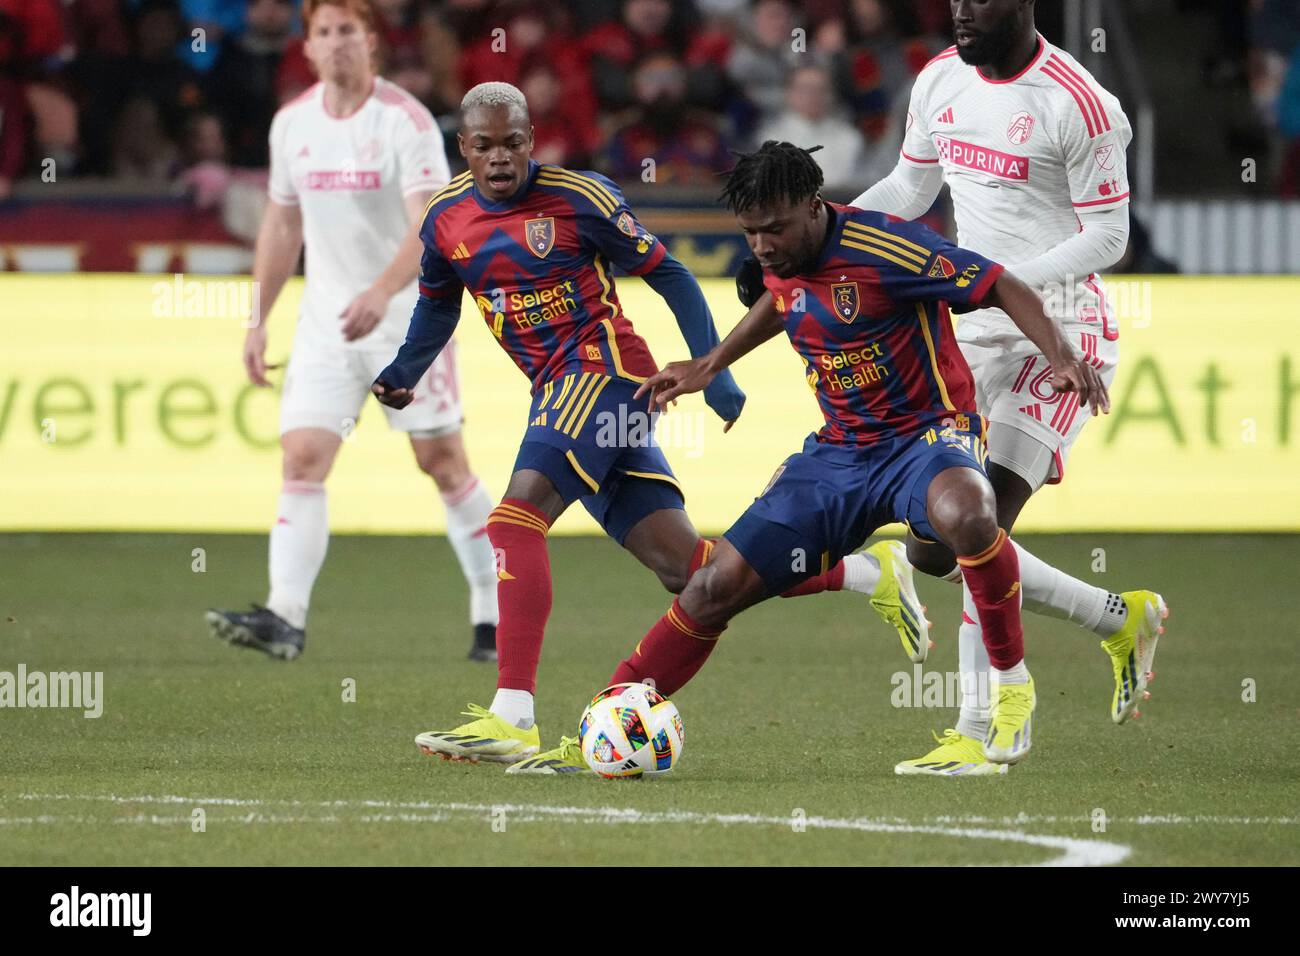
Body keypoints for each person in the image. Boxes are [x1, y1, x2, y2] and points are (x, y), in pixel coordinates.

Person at [372, 84, 925, 773]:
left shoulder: (582, 199)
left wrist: (715, 374)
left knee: (514, 522)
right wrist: (404, 369)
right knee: (686, 570)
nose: (499, 158)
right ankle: (867, 573)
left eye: (512, 142)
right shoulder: (446, 218)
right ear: (465, 148)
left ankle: (513, 714)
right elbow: (434, 304)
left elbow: (673, 277)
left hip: (604, 377)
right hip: (560, 392)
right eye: (483, 145)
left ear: (531, 138)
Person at [739, 0, 1167, 775]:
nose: (962, 10)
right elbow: (907, 187)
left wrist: (991, 281)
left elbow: (1109, 235)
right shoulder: (939, 80)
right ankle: (1117, 616)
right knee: (938, 550)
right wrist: (802, 249)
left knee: (982, 522)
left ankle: (983, 727)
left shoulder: (1082, 104)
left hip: (1057, 329)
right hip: (969, 319)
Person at [609, 140, 1110, 771]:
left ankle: (1012, 688)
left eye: (775, 230)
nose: (762, 246)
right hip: (841, 451)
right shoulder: (780, 254)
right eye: (751, 232)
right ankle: (609, 715)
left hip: (926, 435)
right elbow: (781, 296)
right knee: (711, 585)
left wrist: (1063, 355)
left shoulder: (889, 248)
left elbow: (1000, 283)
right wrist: (712, 362)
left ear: (814, 208)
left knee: (971, 518)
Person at [205, 0, 500, 663]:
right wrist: (257, 319)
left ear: (372, 43)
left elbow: (431, 227)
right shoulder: (292, 125)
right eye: (324, 32)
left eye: (349, 32)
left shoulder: (405, 121)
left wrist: (380, 291)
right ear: (306, 48)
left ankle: (492, 611)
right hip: (326, 325)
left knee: (442, 464)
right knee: (303, 457)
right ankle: (285, 615)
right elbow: (282, 225)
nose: (337, 43)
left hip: (406, 322)